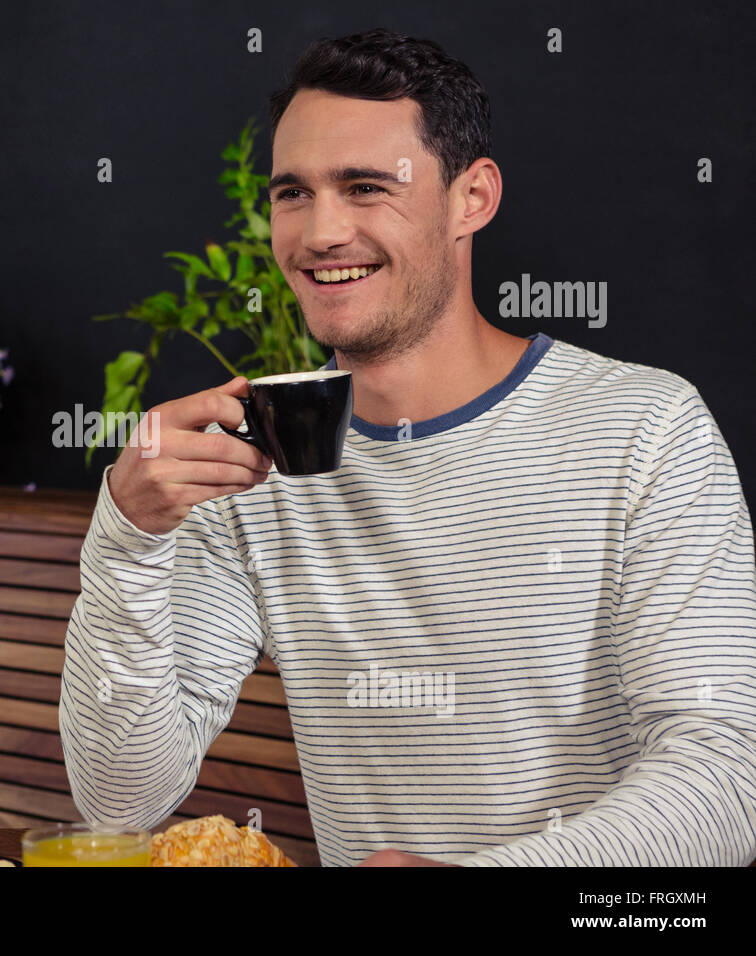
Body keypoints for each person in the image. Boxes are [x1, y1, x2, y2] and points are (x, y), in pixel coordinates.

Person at [59, 28, 756, 866]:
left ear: (473, 197)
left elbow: (727, 779)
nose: (320, 233)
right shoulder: (256, 465)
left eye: (364, 186)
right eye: (292, 193)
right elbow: (120, 798)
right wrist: (127, 536)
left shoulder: (647, 429)